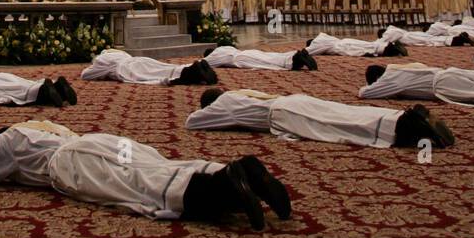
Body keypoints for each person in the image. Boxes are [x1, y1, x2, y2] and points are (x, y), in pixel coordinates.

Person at [0, 120, 291, 230]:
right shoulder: (48, 126)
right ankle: (238, 170)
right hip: (102, 142)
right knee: (157, 167)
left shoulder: (12, 139)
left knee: (142, 186)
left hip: (75, 162)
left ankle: (225, 187)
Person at [185, 88, 454, 150]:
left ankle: (404, 128)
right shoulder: (237, 93)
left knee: (337, 125)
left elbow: (193, 121)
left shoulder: (224, 103)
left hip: (284, 114)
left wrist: (207, 104)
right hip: (292, 101)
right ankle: (399, 117)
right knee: (344, 112)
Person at [81, 49, 218, 87]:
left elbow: (85, 75)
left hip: (126, 69)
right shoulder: (120, 53)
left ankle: (193, 73)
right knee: (163, 67)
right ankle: (191, 68)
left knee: (153, 75)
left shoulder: (101, 60)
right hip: (138, 60)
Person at [202, 44, 318, 72]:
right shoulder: (224, 47)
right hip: (246, 52)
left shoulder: (215, 55)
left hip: (241, 59)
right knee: (269, 56)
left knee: (268, 62)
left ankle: (295, 60)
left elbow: (205, 63)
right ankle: (293, 55)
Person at [305, 31, 407, 58]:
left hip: (342, 47)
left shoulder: (318, 43)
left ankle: (389, 49)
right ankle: (390, 47)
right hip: (345, 41)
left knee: (363, 49)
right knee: (366, 45)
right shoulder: (325, 37)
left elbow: (310, 51)